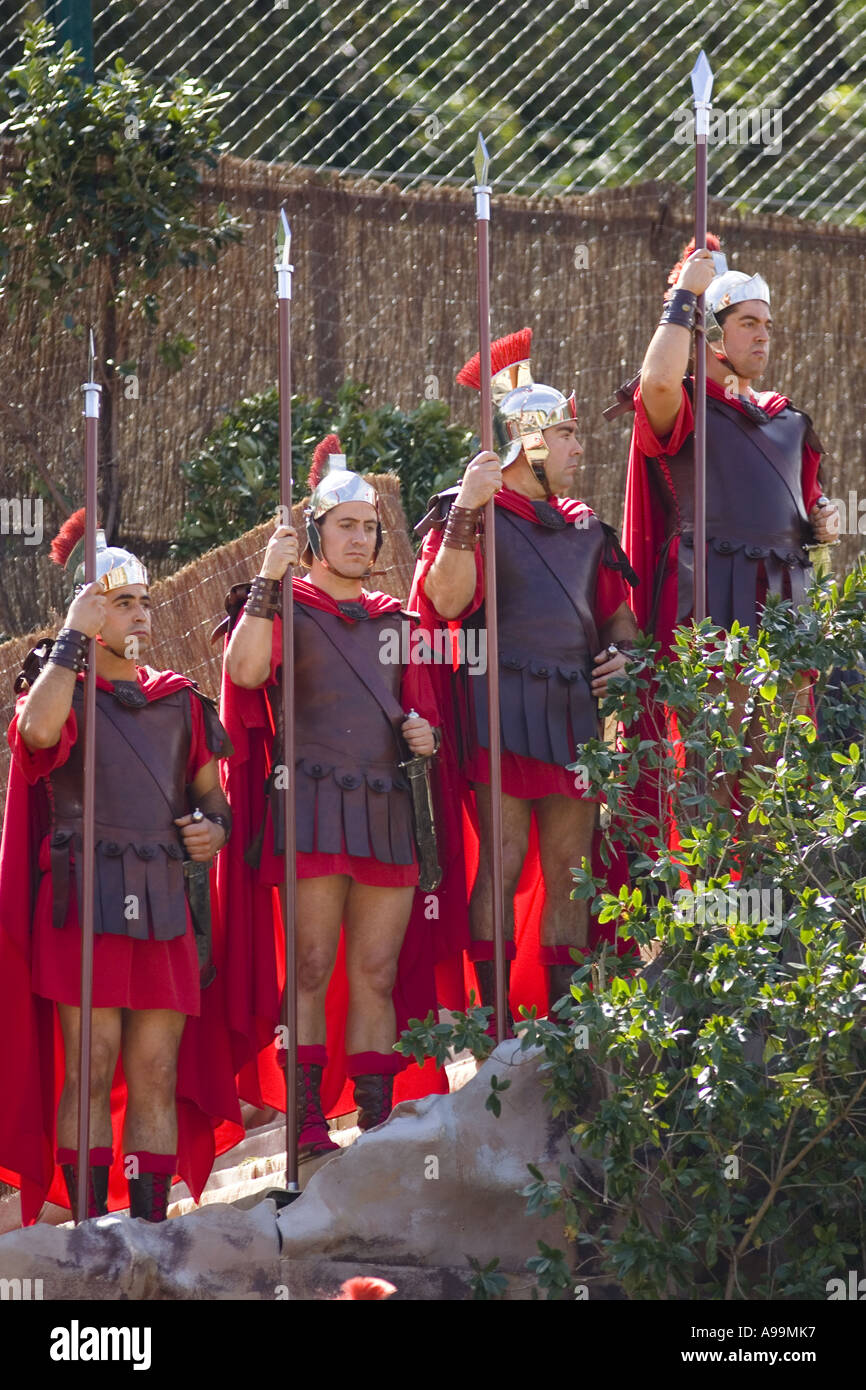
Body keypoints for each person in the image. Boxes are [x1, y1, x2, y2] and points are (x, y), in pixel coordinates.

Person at [0, 513, 242, 1224]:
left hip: (165, 896)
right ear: (90, 611)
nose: (139, 613)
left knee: (157, 1071)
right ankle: (86, 1230)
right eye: (121, 601)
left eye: (143, 601)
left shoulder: (180, 703)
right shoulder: (57, 687)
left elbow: (215, 806)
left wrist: (211, 834)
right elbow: (35, 735)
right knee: (91, 1065)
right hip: (83, 898)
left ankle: (148, 1226)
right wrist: (71, 639)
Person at [220, 437, 447, 1157]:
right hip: (311, 806)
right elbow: (247, 672)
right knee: (311, 966)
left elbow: (422, 714)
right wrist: (267, 576)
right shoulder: (286, 607)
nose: (360, 537)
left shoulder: (395, 621)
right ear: (316, 533)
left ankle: (376, 1124)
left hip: (387, 813)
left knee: (376, 972)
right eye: (346, 525)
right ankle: (308, 1122)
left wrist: (424, 735)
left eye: (370, 526)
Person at [412, 328, 639, 1021]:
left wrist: (623, 658)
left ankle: (564, 1035)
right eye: (567, 434)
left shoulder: (586, 530)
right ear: (531, 441)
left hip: (573, 714)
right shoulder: (472, 513)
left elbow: (620, 621)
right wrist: (463, 516)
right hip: (499, 710)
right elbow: (445, 601)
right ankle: (498, 1031)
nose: (578, 448)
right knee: (503, 864)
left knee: (573, 877)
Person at [620, 236, 840, 820]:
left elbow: (807, 505)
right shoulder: (686, 403)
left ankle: (765, 911)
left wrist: (822, 521)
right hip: (709, 612)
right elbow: (657, 385)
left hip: (784, 617)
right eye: (747, 323)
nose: (763, 334)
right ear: (711, 336)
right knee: (710, 786)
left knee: (777, 793)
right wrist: (683, 299)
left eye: (766, 323)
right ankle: (705, 912)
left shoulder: (790, 421)